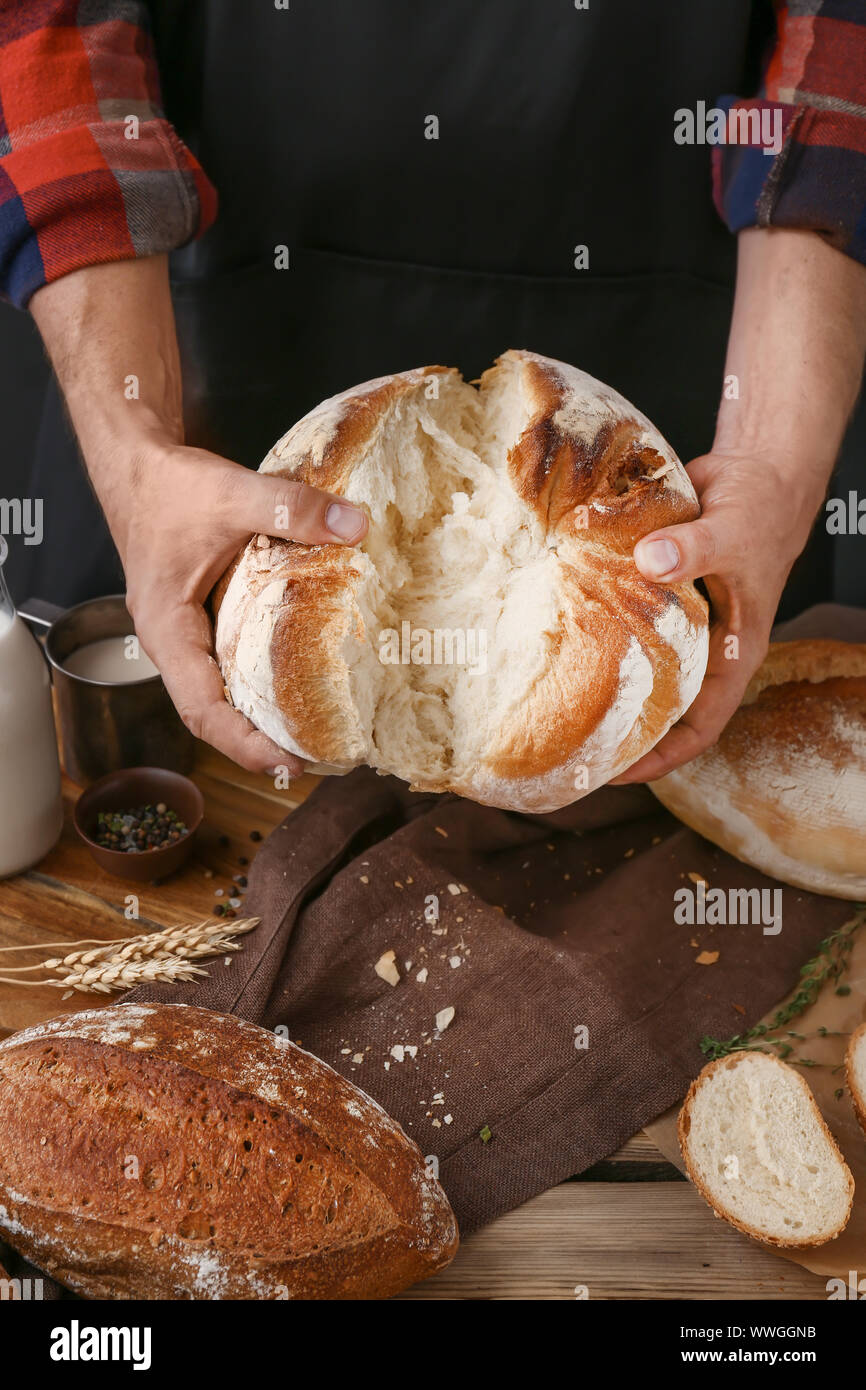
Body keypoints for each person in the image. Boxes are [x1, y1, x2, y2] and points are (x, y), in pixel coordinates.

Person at [1, 1, 865, 784]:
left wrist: (773, 458)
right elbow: (46, 31)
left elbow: (844, 64)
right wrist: (135, 452)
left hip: (693, 363)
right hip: (206, 329)